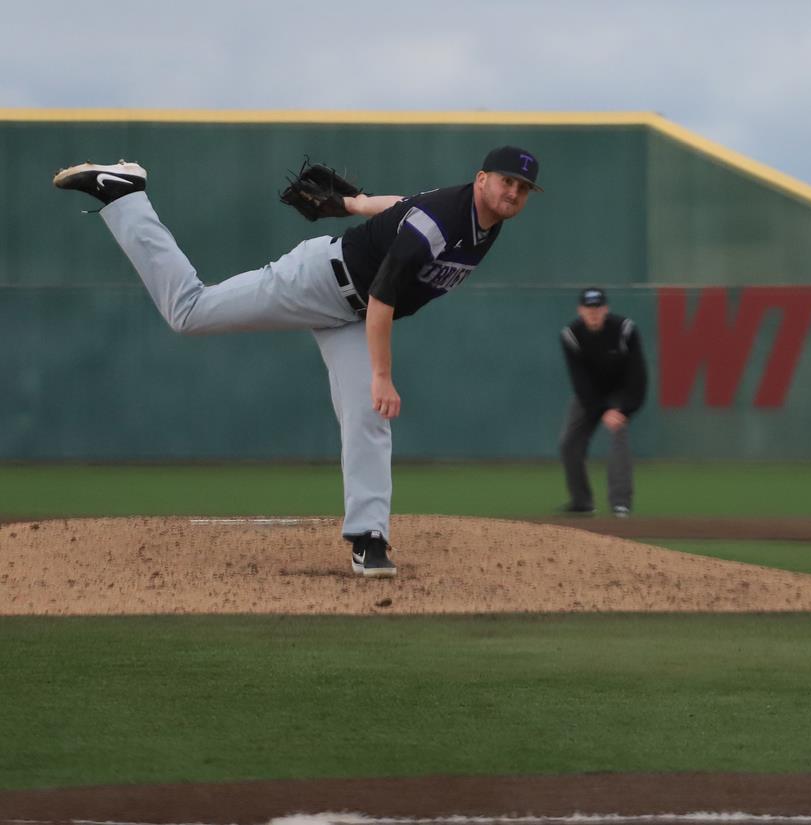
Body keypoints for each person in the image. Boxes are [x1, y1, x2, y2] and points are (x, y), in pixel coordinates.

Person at [52, 146, 543, 578]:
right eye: (507, 181)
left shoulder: (480, 220)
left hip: (349, 313)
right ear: (482, 180)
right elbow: (384, 295)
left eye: (523, 188)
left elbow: (400, 206)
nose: (514, 192)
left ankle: (369, 539)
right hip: (318, 284)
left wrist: (350, 204)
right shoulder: (442, 220)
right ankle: (126, 195)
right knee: (190, 312)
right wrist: (382, 375)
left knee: (369, 416)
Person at [556, 287, 647, 518]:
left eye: (597, 308)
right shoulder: (571, 335)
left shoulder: (624, 329)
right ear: (580, 310)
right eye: (589, 308)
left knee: (618, 436)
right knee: (569, 443)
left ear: (605, 309)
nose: (593, 313)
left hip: (620, 392)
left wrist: (624, 409)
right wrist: (601, 409)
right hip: (591, 395)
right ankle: (582, 502)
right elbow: (580, 381)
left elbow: (638, 375)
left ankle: (620, 503)